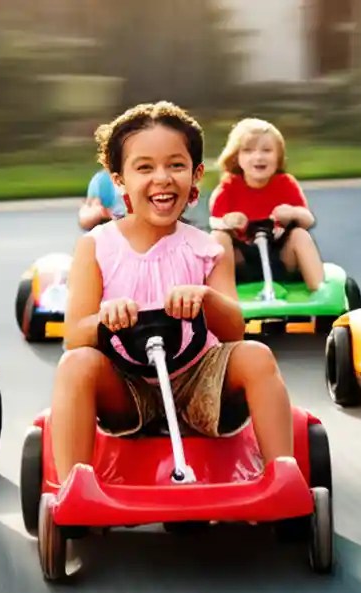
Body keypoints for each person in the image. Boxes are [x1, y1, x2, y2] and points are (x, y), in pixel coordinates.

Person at [48, 101, 296, 484]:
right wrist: (106, 318)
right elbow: (74, 336)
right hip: (125, 386)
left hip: (199, 378)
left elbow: (233, 329)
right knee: (75, 365)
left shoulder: (208, 247)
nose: (162, 178)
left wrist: (205, 299)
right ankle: (74, 487)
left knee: (257, 356)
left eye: (176, 166)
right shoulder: (97, 246)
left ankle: (282, 476)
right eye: (144, 167)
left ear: (196, 175)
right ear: (118, 181)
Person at [208, 118, 325, 291]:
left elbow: (308, 220)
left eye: (267, 150)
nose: (258, 157)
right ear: (236, 157)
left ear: (278, 157)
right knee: (218, 238)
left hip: (280, 257)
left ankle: (320, 291)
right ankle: (222, 294)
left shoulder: (286, 184)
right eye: (248, 151)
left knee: (300, 235)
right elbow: (214, 222)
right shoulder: (228, 187)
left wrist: (292, 213)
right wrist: (228, 222)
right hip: (242, 261)